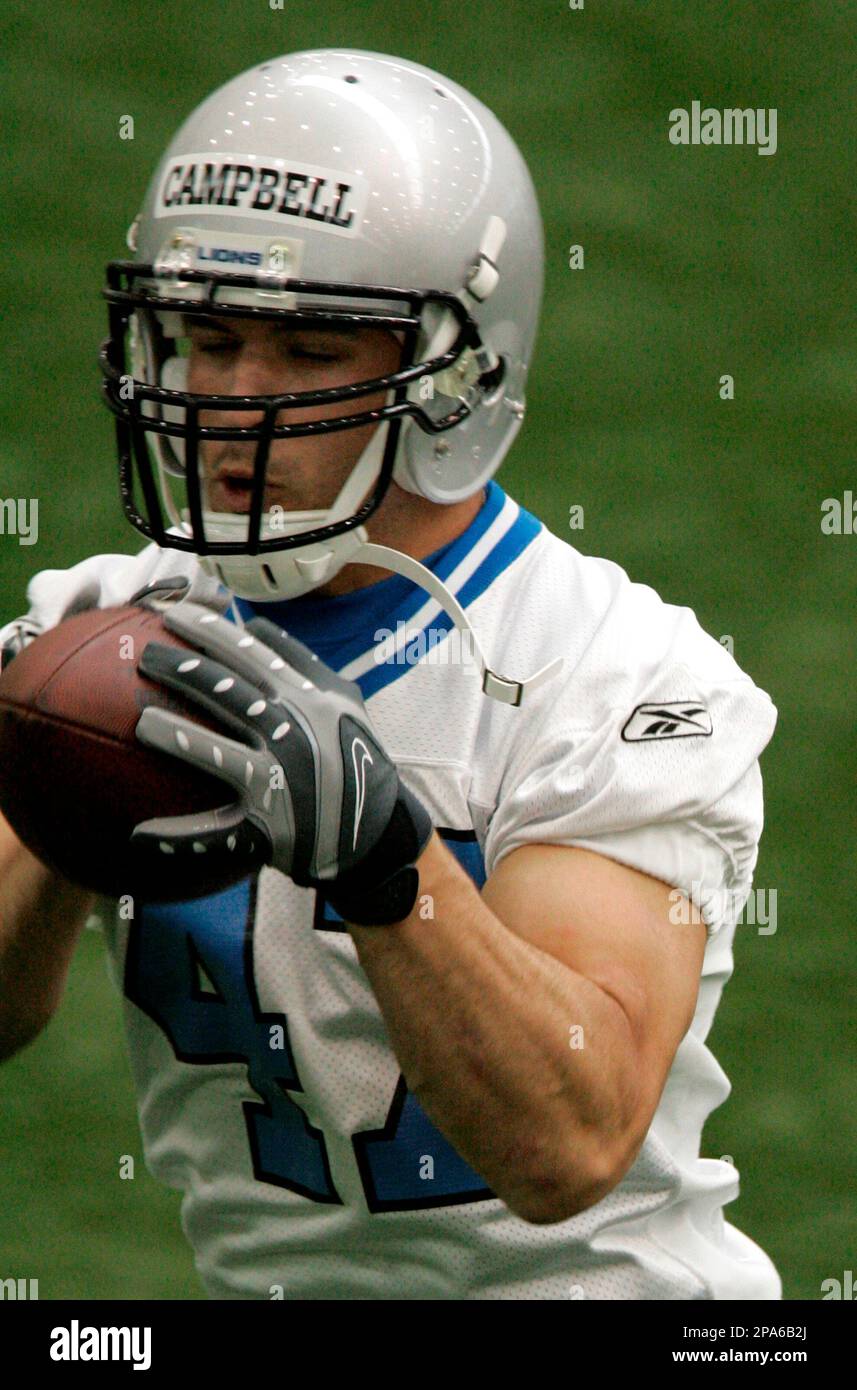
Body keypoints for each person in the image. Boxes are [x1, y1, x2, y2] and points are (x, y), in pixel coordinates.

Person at [0, 49, 781, 1300]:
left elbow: (568, 1143)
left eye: (309, 353)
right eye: (207, 338)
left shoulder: (616, 679)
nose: (233, 400)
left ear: (455, 377)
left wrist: (384, 862)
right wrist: (49, 785)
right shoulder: (100, 630)